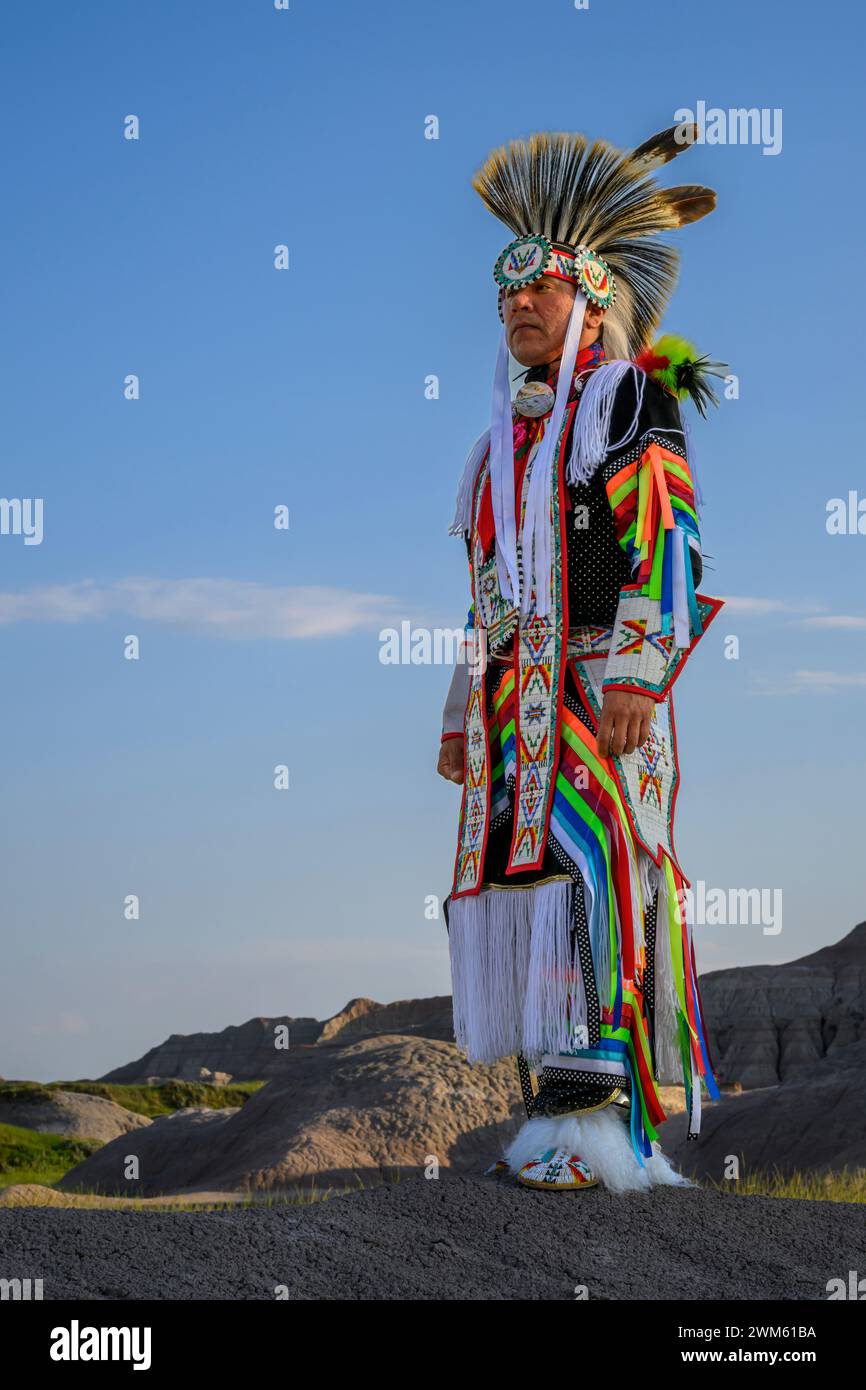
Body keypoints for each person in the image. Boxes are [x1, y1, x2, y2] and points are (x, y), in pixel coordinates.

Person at [437, 125, 725, 1193]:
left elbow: (667, 531)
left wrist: (638, 674)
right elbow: (486, 595)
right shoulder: (491, 449)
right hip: (520, 701)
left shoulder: (620, 401)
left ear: (590, 304)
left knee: (596, 872)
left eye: (541, 295)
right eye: (506, 296)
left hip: (600, 688)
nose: (517, 307)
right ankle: (552, 1125)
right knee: (529, 888)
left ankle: (598, 1133)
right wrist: (460, 706)